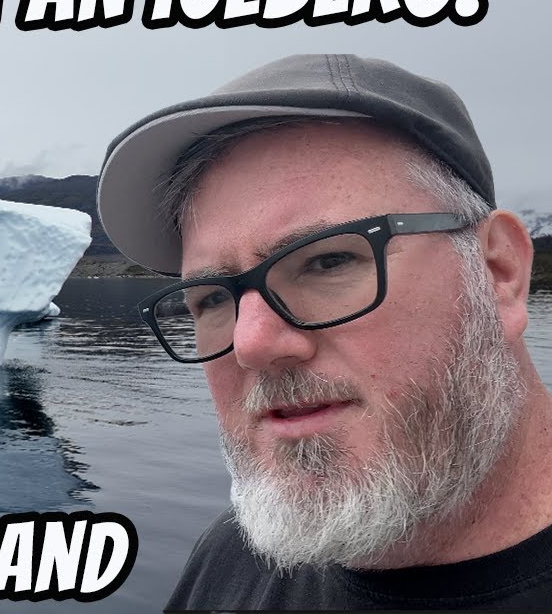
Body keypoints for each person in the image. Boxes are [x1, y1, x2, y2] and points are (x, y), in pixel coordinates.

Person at [96, 55, 552, 610]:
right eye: (213, 298)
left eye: (329, 261)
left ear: (498, 272)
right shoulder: (233, 563)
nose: (253, 344)